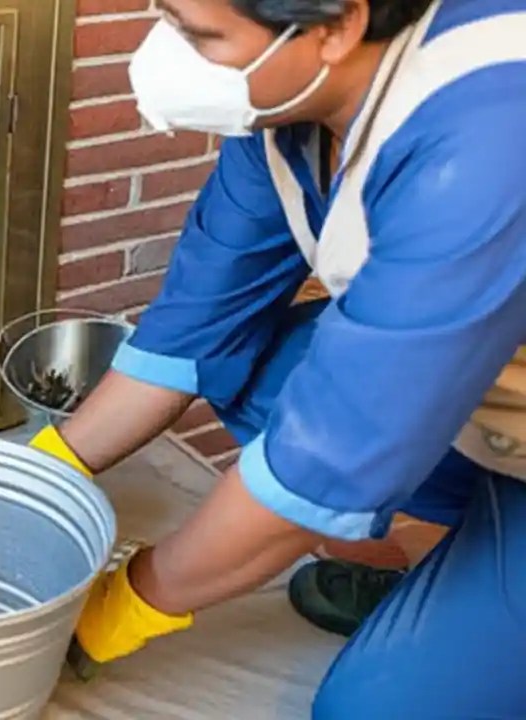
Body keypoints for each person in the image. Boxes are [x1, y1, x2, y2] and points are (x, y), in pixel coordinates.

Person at [28, 0, 526, 715]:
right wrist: (40, 475)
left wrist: (118, 607)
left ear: (337, 25)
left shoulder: (489, 141)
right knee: (259, 372)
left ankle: (466, 596)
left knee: (372, 710)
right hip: (479, 392)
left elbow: (325, 459)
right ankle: (445, 578)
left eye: (199, 34)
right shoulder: (290, 109)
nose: (167, 55)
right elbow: (192, 330)